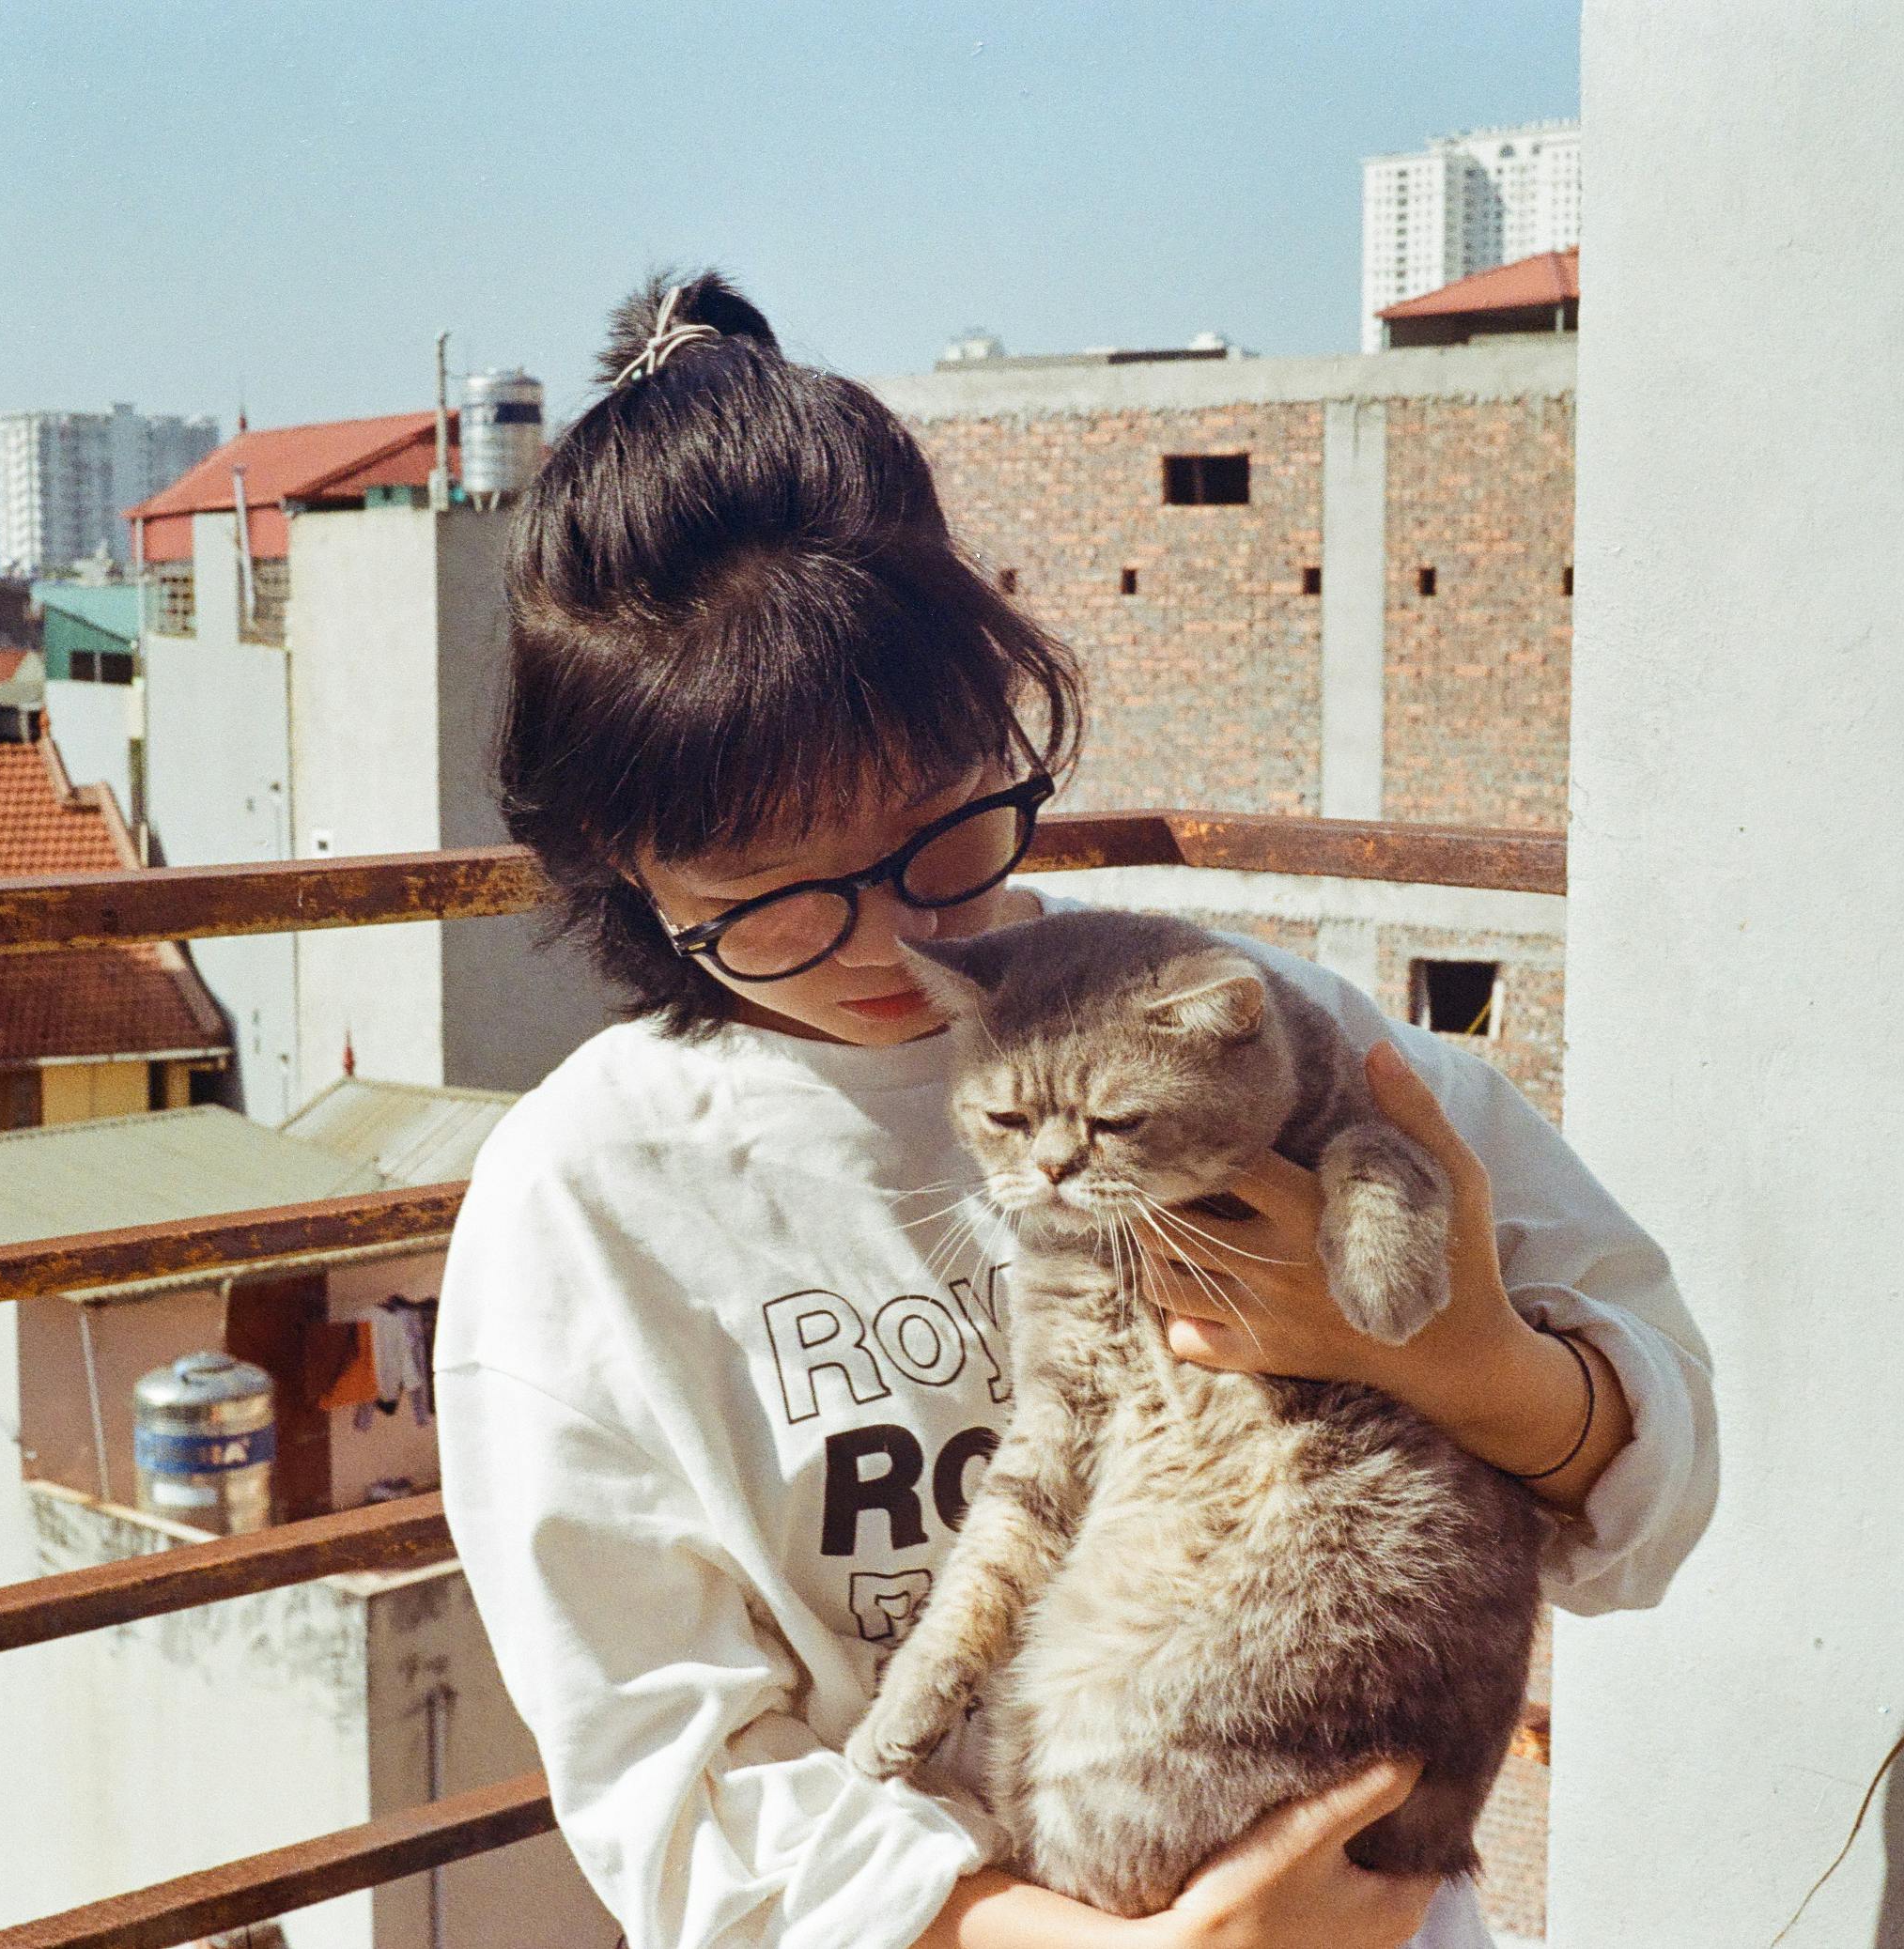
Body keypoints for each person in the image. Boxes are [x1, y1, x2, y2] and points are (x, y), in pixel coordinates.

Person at [434, 271, 1719, 1949]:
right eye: (772, 895)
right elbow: (672, 1791)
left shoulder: (1260, 1030)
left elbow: (1653, 1508)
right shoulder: (591, 1198)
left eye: (935, 831)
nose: (893, 938)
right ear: (626, 877)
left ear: (1005, 723)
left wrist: (1466, 1366)